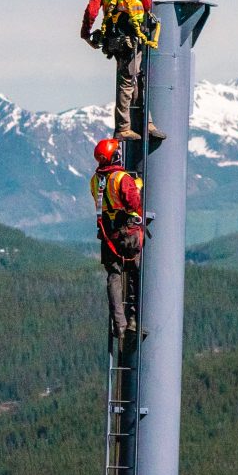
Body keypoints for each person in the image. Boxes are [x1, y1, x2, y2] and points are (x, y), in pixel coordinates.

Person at [80, 0, 161, 140]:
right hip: (135, 37)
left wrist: (85, 33)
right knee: (132, 79)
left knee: (132, 79)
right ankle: (125, 127)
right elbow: (148, 4)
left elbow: (91, 11)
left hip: (115, 38)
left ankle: (144, 123)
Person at [90, 137, 144, 342]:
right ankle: (133, 318)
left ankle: (118, 324)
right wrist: (137, 186)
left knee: (114, 276)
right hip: (127, 233)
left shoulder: (95, 180)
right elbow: (133, 204)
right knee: (136, 273)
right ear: (115, 156)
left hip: (108, 235)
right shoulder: (122, 178)